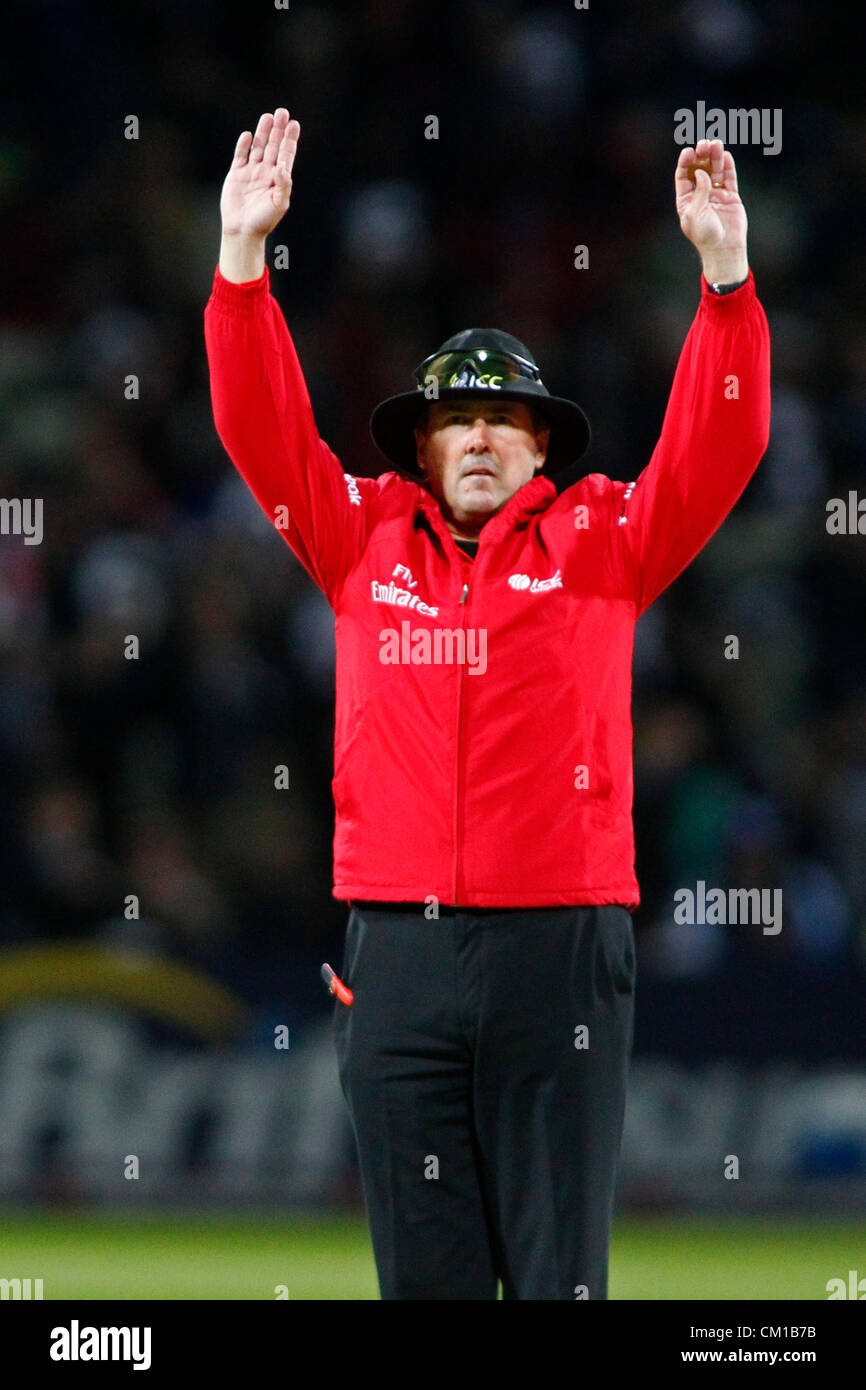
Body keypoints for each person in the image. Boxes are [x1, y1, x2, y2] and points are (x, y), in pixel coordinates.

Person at [205, 108, 770, 1300]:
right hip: (395, 956)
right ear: (419, 445)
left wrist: (724, 282)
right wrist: (241, 268)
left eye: (498, 419)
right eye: (452, 418)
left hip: (555, 949)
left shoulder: (602, 539)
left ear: (536, 445)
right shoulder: (360, 540)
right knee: (426, 1283)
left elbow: (717, 447)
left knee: (557, 1276)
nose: (474, 437)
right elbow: (261, 434)